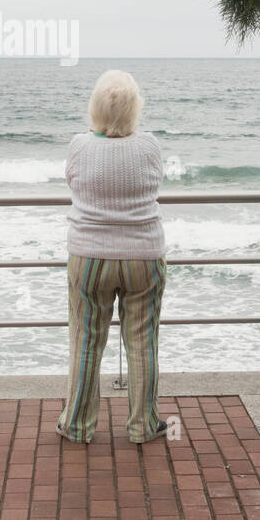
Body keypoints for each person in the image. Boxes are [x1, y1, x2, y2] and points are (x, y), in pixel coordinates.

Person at [56, 69, 168, 445]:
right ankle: (143, 426)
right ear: (136, 108)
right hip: (143, 255)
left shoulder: (79, 146)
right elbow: (156, 181)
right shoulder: (149, 145)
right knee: (142, 342)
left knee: (86, 340)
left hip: (90, 256)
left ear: (95, 107)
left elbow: (73, 181)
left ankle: (77, 425)